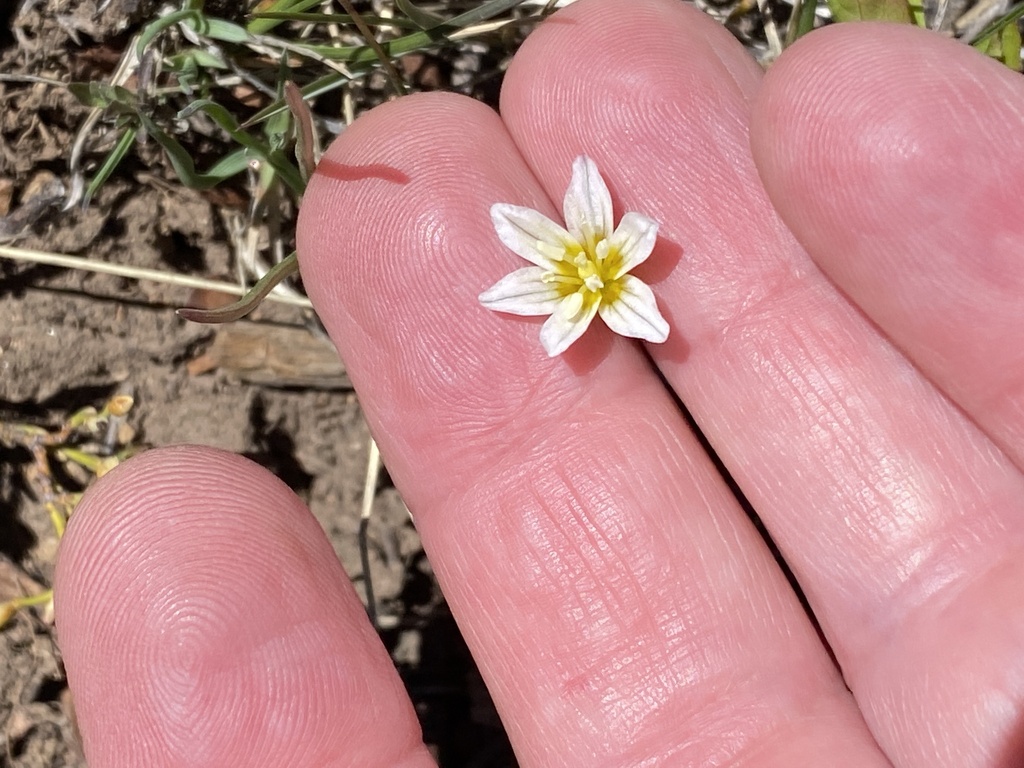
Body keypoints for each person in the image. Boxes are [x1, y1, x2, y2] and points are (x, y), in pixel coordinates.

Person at [53, 0, 1024, 765]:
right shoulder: (580, 268)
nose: (599, 267)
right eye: (593, 265)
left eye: (603, 261)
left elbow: (625, 261)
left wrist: (613, 275)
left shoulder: (614, 258)